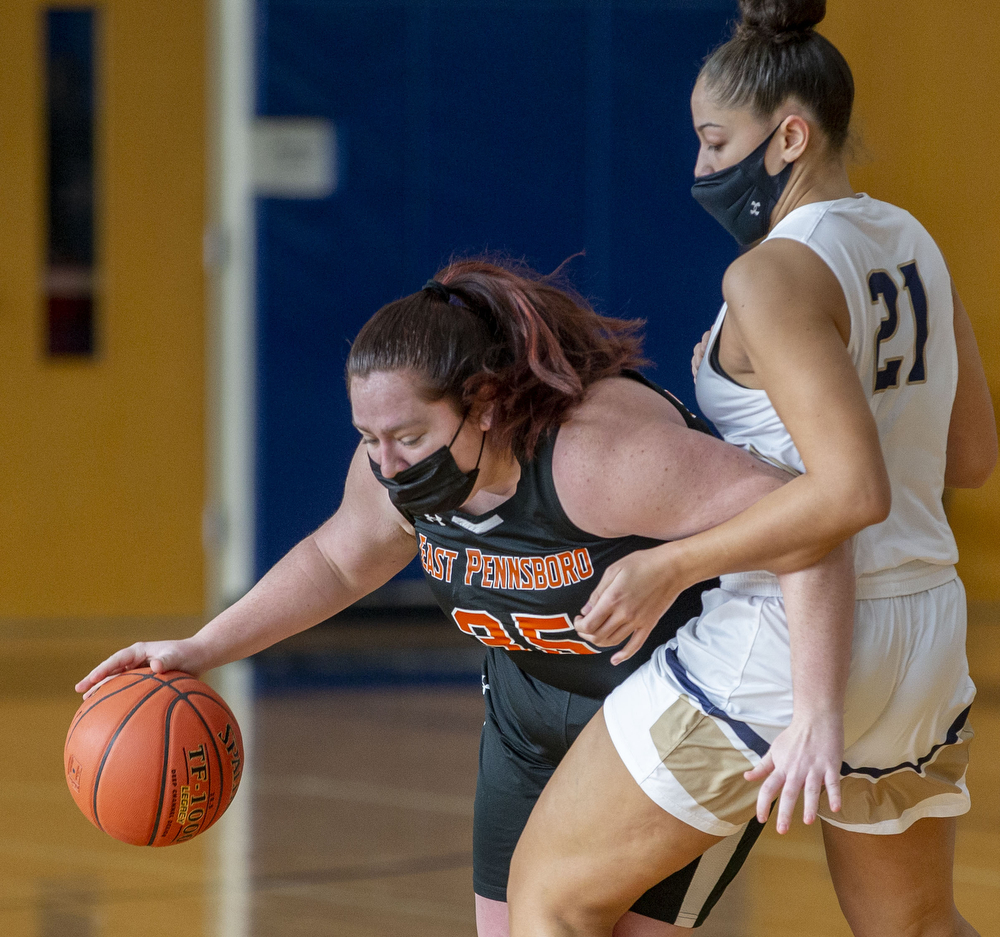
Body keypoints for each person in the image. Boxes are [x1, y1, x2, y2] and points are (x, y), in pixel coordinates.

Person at [77, 258, 853, 936]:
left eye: (408, 436)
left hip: (663, 712)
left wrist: (814, 707)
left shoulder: (596, 457)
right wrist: (201, 648)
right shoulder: (393, 469)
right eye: (368, 437)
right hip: (526, 717)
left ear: (483, 402)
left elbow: (811, 515)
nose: (387, 463)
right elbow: (337, 562)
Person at [506, 2, 997, 936]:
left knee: (550, 895)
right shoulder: (912, 242)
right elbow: (971, 455)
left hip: (792, 632)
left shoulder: (768, 275)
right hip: (927, 634)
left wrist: (670, 564)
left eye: (715, 141)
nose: (701, 167)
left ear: (790, 137)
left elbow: (850, 492)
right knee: (918, 925)